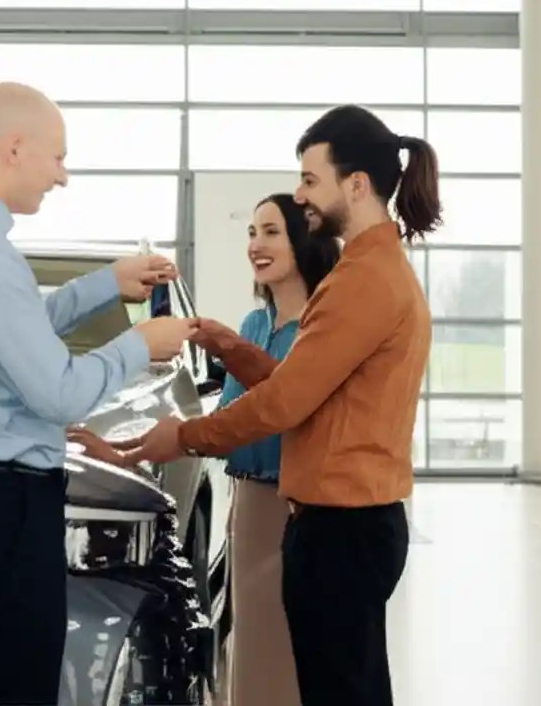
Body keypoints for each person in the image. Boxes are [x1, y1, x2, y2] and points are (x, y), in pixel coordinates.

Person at [124, 104, 442, 706]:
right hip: (353, 524)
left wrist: (188, 436)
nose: (301, 196)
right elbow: (304, 385)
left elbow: (287, 401)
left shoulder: (362, 280)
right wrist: (228, 345)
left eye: (310, 180)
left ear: (356, 185)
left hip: (341, 531)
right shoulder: (373, 270)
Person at [0, 81, 198, 705]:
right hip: (0, 516)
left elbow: (17, 326)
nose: (61, 177)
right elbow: (58, 392)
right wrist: (142, 344)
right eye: (57, 157)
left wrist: (106, 284)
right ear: (14, 149)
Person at [193, 193, 339, 706]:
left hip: (296, 505)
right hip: (246, 504)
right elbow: (234, 419)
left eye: (271, 231)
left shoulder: (323, 332)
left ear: (304, 241)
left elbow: (292, 416)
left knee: (283, 645)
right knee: (248, 640)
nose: (256, 244)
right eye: (252, 233)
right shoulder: (253, 326)